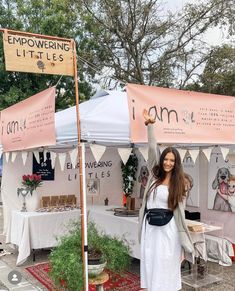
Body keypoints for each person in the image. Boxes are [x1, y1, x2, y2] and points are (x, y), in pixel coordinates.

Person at [138, 109, 195, 291]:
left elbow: (180, 215)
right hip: (150, 229)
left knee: (166, 267)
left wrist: (183, 241)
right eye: (166, 159)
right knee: (150, 264)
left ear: (176, 162)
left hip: (168, 231)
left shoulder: (181, 183)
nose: (168, 163)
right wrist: (150, 126)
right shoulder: (155, 175)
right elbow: (152, 148)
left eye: (172, 160)